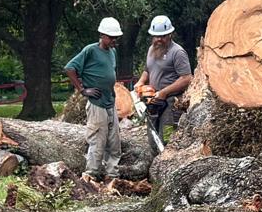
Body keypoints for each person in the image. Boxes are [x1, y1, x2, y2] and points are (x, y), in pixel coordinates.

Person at [65, 17, 122, 182]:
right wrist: (83, 90)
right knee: (97, 140)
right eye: (111, 37)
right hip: (96, 103)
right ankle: (91, 175)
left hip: (110, 101)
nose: (113, 41)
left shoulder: (112, 52)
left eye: (115, 38)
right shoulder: (90, 50)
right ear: (102, 35)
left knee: (114, 140)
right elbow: (70, 68)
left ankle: (112, 176)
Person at [134, 15, 192, 141]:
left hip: (171, 102)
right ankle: (155, 158)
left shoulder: (177, 52)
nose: (159, 39)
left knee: (167, 137)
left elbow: (186, 78)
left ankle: (167, 159)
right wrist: (141, 82)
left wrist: (164, 92)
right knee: (152, 136)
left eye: (163, 36)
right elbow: (147, 70)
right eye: (156, 36)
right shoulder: (151, 49)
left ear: (170, 34)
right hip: (153, 100)